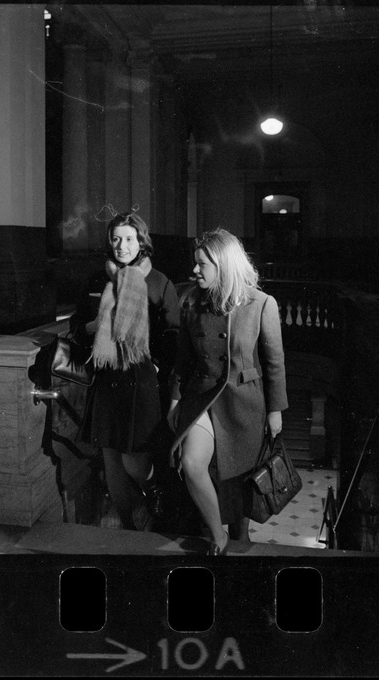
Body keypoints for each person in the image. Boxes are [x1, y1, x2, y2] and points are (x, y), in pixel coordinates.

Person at [168, 228, 288, 555]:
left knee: (239, 485)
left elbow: (275, 363)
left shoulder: (261, 304)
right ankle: (217, 534)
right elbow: (182, 360)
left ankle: (239, 540)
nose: (194, 271)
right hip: (203, 398)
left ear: (224, 265)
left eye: (202, 264)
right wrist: (175, 400)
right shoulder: (191, 301)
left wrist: (275, 412)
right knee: (192, 463)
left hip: (245, 405)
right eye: (195, 263)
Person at [70, 210, 179, 530]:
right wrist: (94, 326)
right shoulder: (97, 279)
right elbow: (78, 325)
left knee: (134, 459)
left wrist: (157, 365)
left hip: (142, 380)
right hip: (107, 378)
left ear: (141, 242)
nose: (121, 246)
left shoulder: (159, 282)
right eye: (115, 239)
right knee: (111, 460)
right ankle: (129, 526)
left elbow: (174, 335)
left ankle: (154, 492)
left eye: (129, 239)